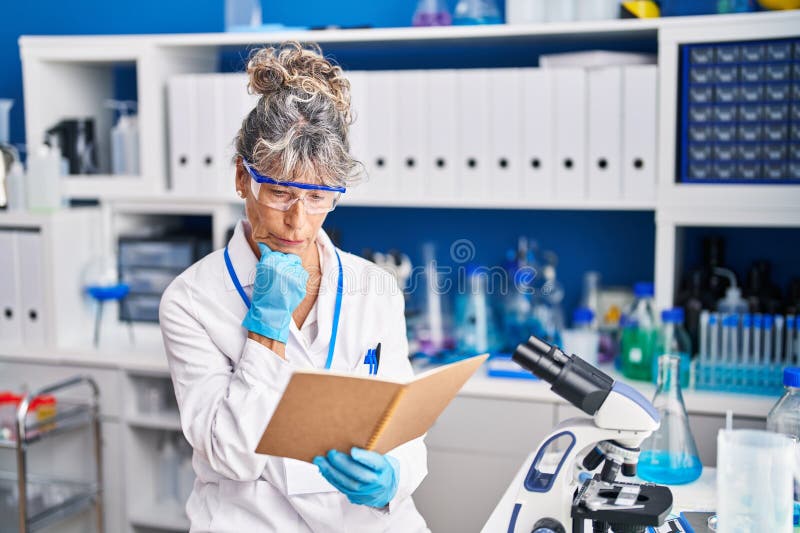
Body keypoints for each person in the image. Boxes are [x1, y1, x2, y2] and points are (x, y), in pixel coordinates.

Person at [159, 42, 429, 532]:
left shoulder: (377, 287)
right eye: (280, 192)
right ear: (243, 179)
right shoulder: (191, 301)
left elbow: (405, 429)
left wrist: (393, 477)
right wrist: (265, 332)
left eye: (318, 197)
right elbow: (231, 456)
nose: (297, 221)